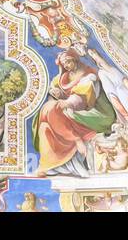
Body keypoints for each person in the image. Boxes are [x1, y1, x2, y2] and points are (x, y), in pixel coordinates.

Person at [32, 47, 117, 176]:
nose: (66, 65)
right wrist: (57, 94)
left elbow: (83, 97)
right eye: (63, 63)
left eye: (68, 61)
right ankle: (53, 165)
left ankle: (76, 147)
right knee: (44, 125)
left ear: (75, 59)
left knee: (54, 110)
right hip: (74, 111)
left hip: (96, 114)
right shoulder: (63, 78)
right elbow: (56, 92)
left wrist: (66, 103)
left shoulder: (89, 75)